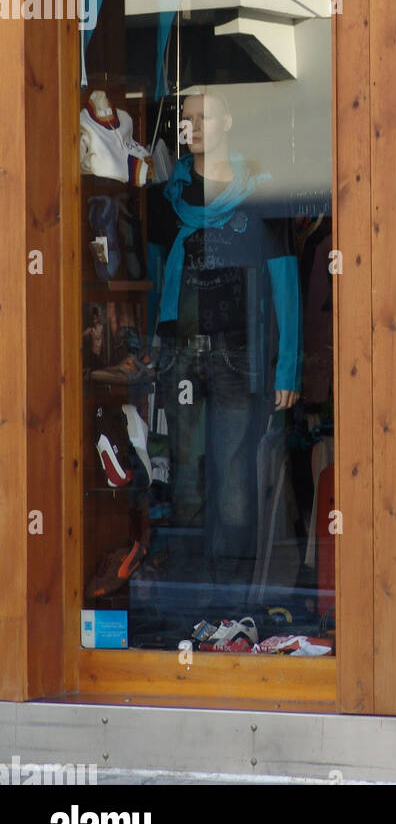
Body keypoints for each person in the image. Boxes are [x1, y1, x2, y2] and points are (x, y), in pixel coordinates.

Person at [147, 87, 301, 587]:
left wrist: (288, 367)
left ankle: (231, 605)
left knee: (234, 485)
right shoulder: (169, 198)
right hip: (180, 359)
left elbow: (285, 282)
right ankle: (190, 606)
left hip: (239, 358)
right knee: (187, 480)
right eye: (185, 118)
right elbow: (150, 279)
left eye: (203, 117)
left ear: (228, 120)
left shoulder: (261, 195)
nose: (191, 126)